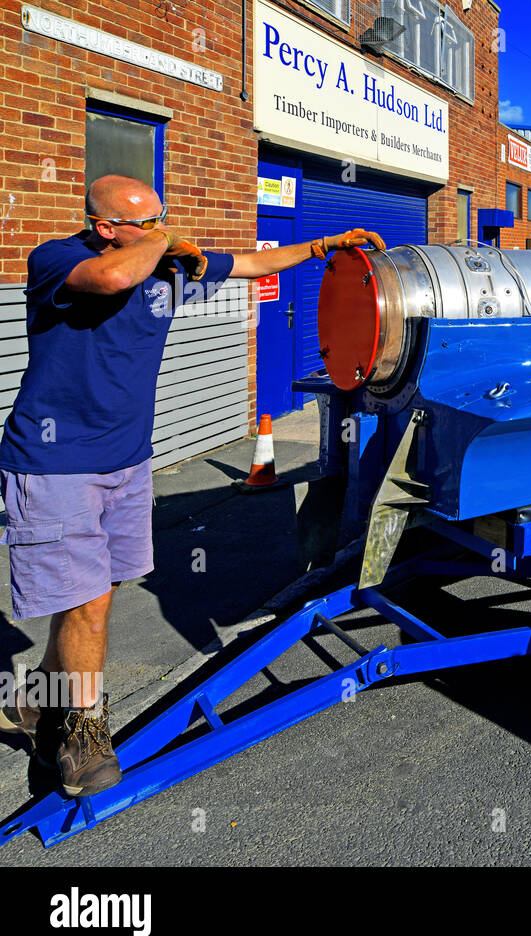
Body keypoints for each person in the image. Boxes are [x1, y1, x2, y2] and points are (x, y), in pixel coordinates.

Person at [0, 174, 385, 797]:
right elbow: (113, 278)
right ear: (105, 228)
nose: (162, 227)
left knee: (101, 588)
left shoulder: (167, 263)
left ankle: (39, 701)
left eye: (163, 216)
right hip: (56, 463)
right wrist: (170, 241)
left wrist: (323, 246)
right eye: (146, 221)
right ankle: (82, 730)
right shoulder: (58, 258)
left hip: (127, 461)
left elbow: (254, 261)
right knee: (87, 599)